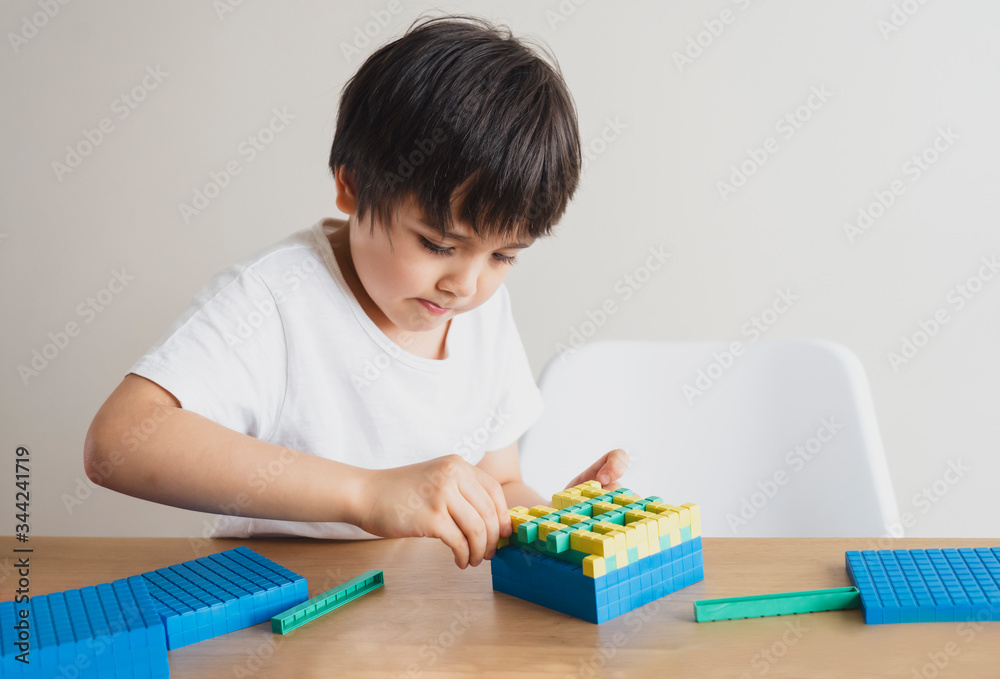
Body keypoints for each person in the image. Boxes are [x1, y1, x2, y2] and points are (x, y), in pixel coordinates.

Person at [84, 15, 629, 569]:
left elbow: (499, 482)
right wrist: (368, 494)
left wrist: (556, 525)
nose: (465, 284)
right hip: (281, 623)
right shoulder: (276, 299)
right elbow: (117, 443)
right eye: (439, 244)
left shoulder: (483, 314)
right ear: (352, 185)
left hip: (427, 628)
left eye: (504, 256)